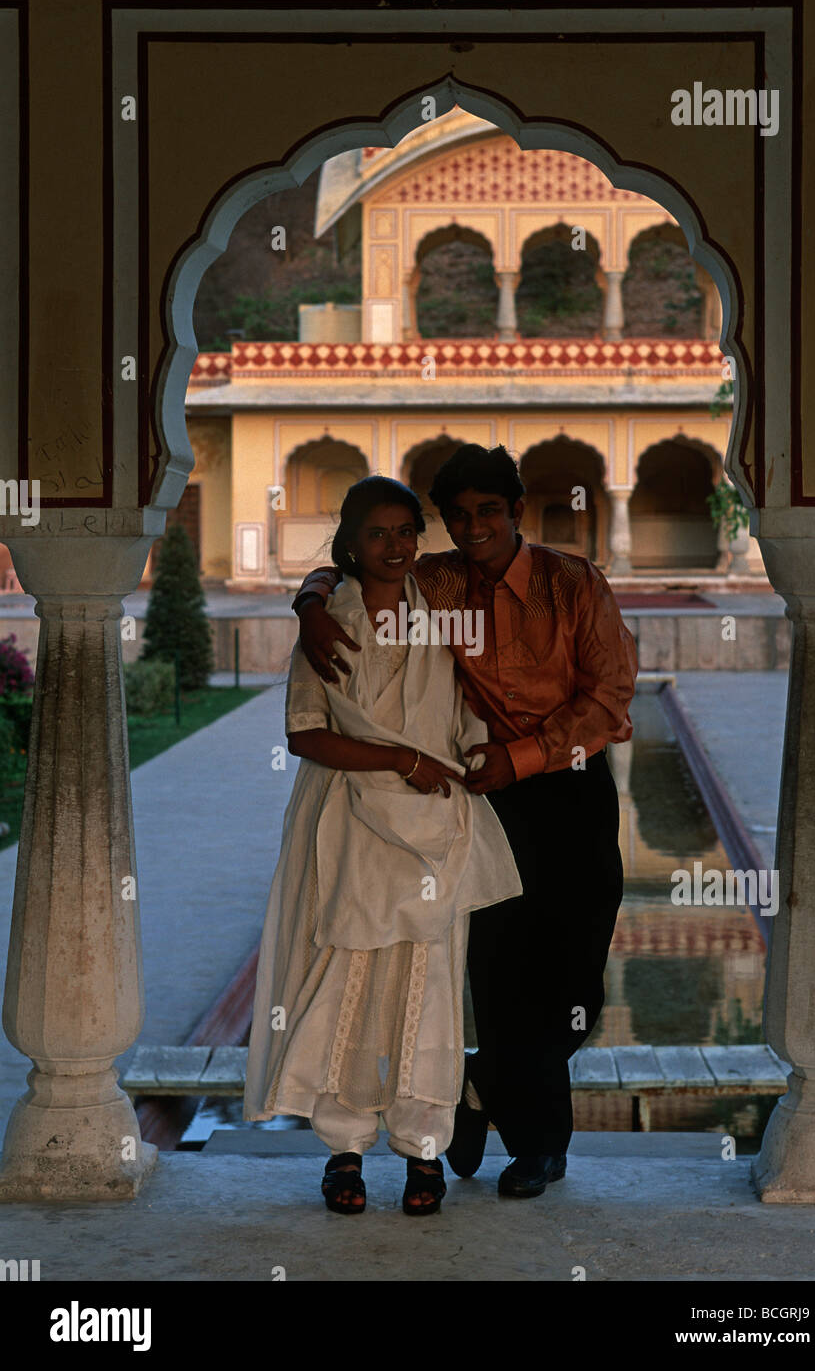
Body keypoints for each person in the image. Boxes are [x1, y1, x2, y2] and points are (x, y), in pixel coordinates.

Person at [293, 445, 638, 1198]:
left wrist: (525, 755)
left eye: (488, 511)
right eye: (457, 516)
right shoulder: (435, 581)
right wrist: (311, 602)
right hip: (483, 797)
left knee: (576, 977)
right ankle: (542, 1146)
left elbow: (609, 697)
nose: (473, 526)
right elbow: (356, 558)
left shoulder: (572, 583)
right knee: (500, 972)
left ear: (516, 512)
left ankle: (481, 1086)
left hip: (569, 788)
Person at [243, 475, 522, 1216]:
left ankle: (423, 1150)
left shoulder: (436, 613)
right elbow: (305, 735)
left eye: (407, 532)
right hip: (353, 819)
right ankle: (344, 1149)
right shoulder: (327, 625)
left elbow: (463, 706)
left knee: (427, 991)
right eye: (378, 533)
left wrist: (475, 752)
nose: (396, 546)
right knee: (349, 986)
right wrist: (401, 759)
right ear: (352, 542)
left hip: (433, 824)